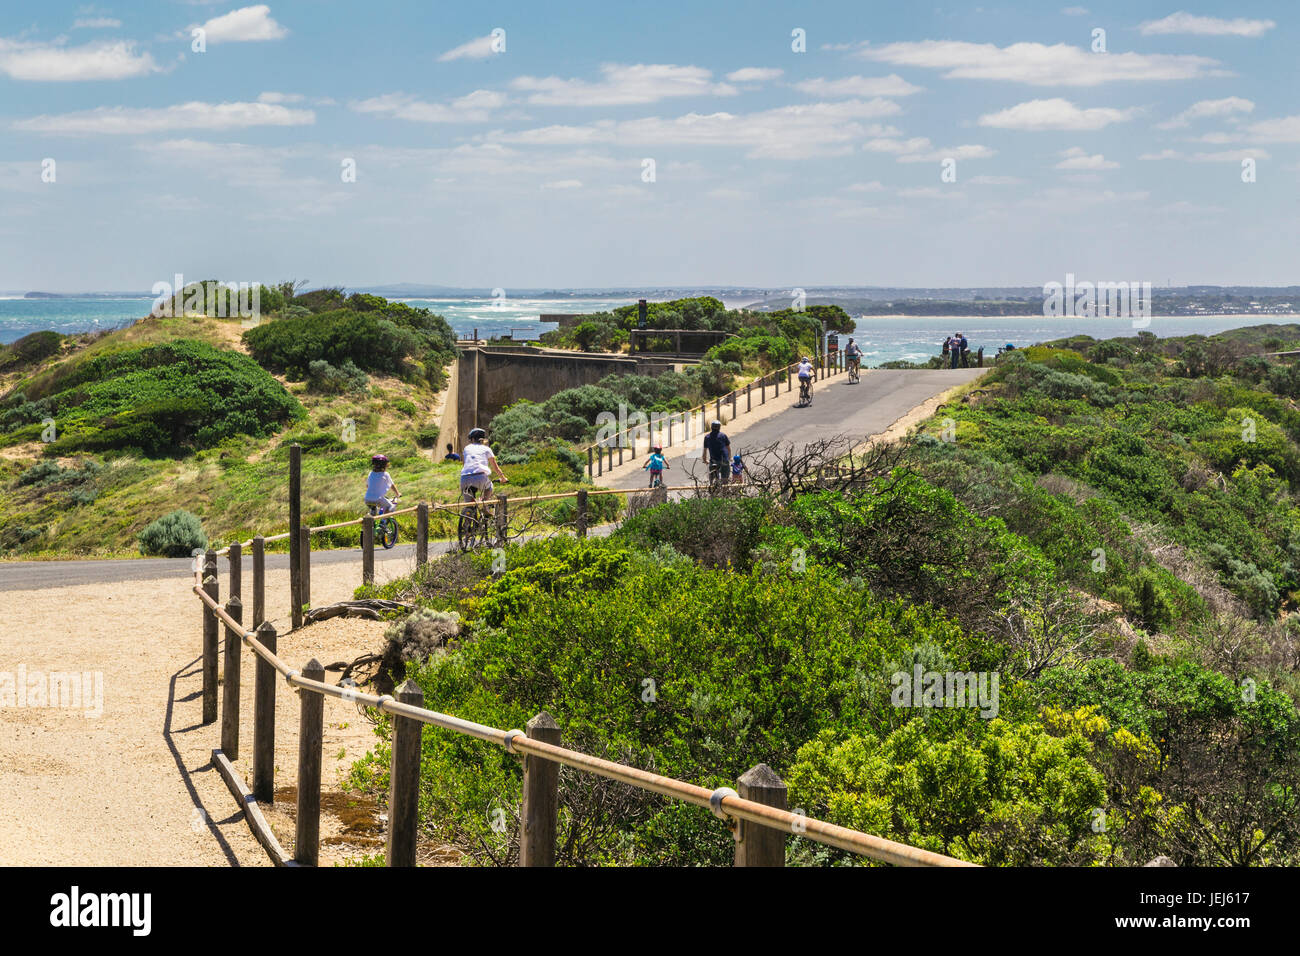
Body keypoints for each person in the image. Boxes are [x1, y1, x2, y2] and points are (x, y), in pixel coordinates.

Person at [460, 427, 509, 505]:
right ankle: (484, 505)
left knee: (469, 505)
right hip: (480, 477)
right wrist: (503, 478)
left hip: (464, 478)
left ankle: (468, 513)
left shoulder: (466, 448)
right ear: (482, 439)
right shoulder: (486, 449)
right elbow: (495, 467)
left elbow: (465, 465)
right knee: (489, 487)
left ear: (472, 439)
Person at [701, 419, 731, 489]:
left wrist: (705, 460)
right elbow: (728, 448)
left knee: (712, 478)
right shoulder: (723, 435)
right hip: (724, 459)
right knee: (725, 479)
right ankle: (725, 492)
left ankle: (712, 490)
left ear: (711, 427)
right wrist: (729, 457)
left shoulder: (707, 437)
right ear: (719, 427)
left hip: (714, 460)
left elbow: (705, 450)